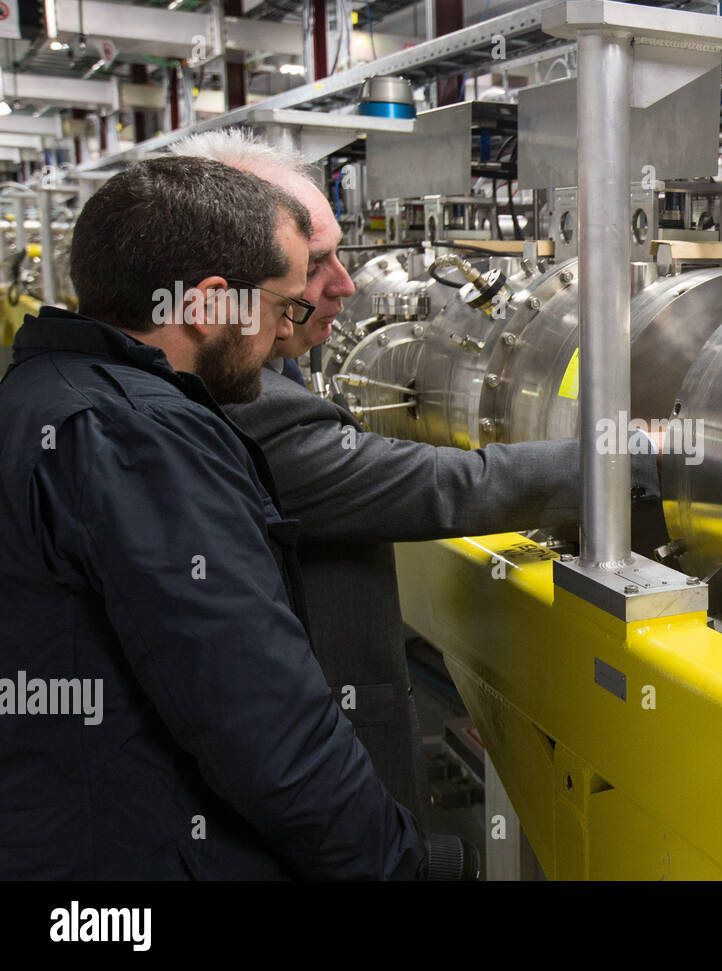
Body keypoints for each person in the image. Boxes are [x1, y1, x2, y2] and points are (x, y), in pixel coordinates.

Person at [169, 131, 660, 828]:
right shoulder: (244, 408)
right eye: (313, 265)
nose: (343, 284)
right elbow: (447, 486)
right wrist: (639, 457)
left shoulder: (257, 370)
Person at [0, 156, 468, 880]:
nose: (289, 329)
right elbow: (264, 724)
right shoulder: (143, 442)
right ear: (209, 304)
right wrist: (399, 863)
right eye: (285, 306)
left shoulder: (41, 389)